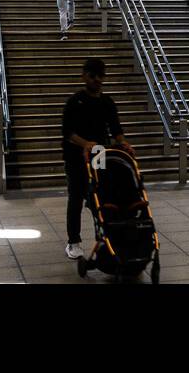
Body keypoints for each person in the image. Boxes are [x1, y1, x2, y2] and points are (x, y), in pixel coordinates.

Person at [61, 58, 133, 261]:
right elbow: (67, 132)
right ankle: (73, 242)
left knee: (99, 199)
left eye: (101, 76)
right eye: (93, 76)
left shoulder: (107, 102)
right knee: (76, 198)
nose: (97, 80)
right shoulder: (75, 102)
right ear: (84, 76)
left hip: (100, 154)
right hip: (75, 157)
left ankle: (103, 237)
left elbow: (116, 129)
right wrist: (85, 143)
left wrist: (123, 143)